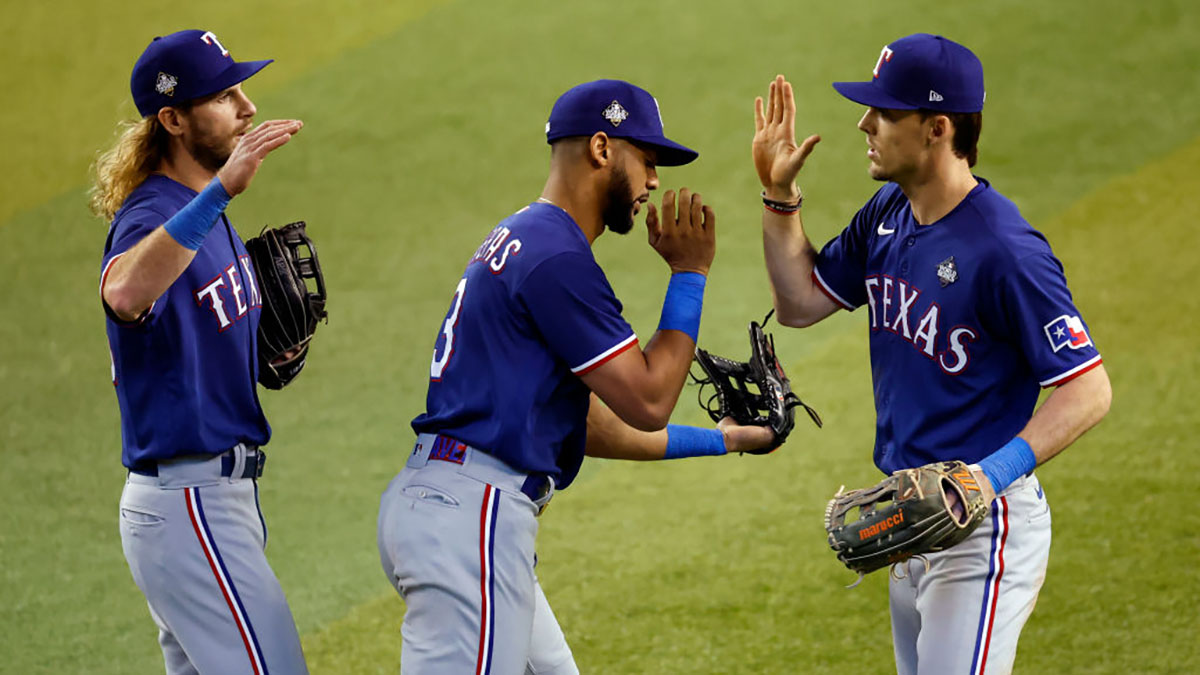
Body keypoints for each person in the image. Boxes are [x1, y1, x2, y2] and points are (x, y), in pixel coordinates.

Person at [377, 79, 774, 674]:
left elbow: (591, 425)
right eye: (647, 159)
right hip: (471, 521)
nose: (654, 181)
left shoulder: (521, 236)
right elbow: (647, 400)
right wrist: (689, 274)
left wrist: (722, 438)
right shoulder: (556, 257)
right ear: (600, 148)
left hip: (451, 504)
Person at [751, 35, 1112, 674]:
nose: (865, 123)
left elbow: (1088, 390)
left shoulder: (1006, 250)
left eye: (886, 114)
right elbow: (801, 303)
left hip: (982, 526)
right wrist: (779, 199)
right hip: (908, 518)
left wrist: (984, 479)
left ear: (937, 129)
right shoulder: (888, 212)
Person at [92, 29, 307, 674]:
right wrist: (222, 193)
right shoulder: (155, 212)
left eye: (242, 89)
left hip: (209, 503)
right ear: (173, 119)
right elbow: (125, 292)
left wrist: (270, 359)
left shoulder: (200, 209)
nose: (246, 108)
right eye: (223, 95)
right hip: (189, 503)